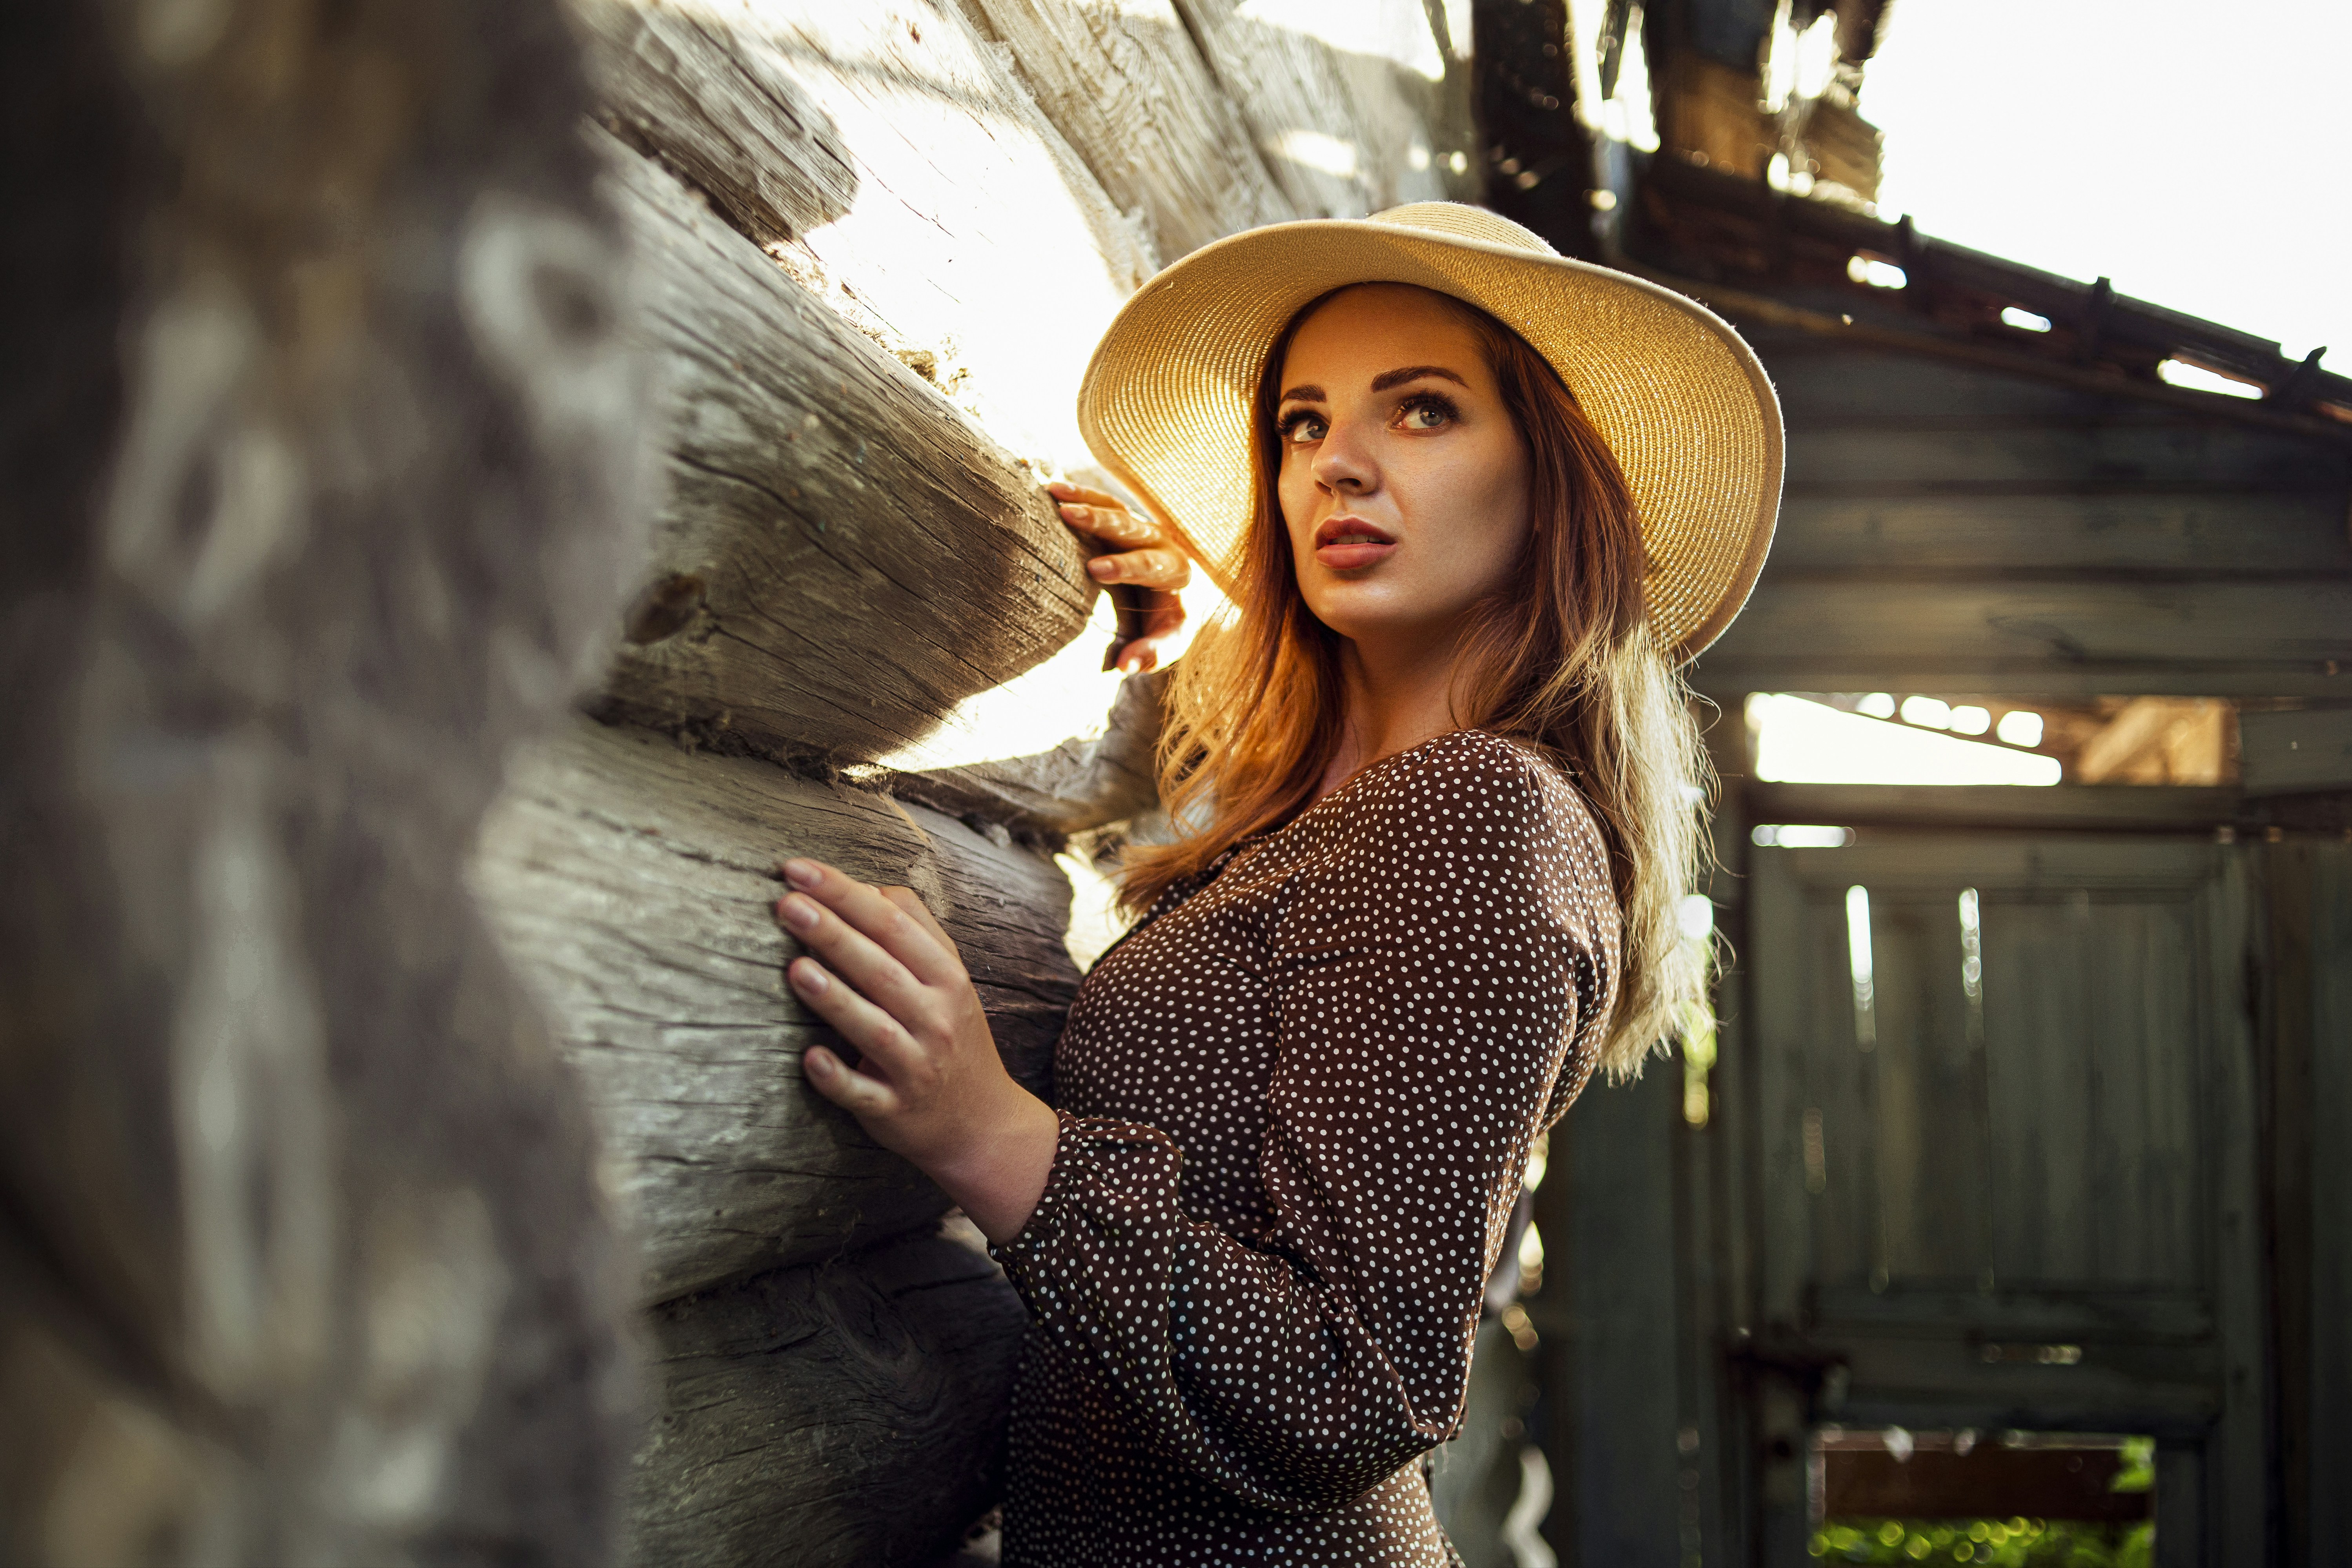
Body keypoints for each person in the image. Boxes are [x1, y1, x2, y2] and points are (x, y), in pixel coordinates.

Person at [769, 204, 1781, 1565]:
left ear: (1552, 479)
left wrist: (988, 1138)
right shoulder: (1347, 811)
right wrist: (1187, 616)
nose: (1336, 467)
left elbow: (1350, 1384)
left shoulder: (1472, 816)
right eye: (1300, 425)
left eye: (1420, 412)